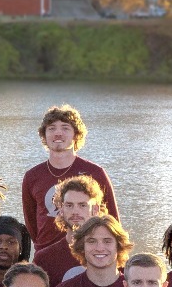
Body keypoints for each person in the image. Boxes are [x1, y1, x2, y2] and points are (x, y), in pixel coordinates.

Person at [20, 106, 117, 247]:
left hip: (88, 253)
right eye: (52, 128)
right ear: (44, 136)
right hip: (45, 256)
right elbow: (31, 224)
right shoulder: (32, 176)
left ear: (76, 135)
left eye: (65, 128)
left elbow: (113, 222)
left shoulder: (95, 173)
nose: (58, 133)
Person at [31, 176, 106, 286]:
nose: (75, 211)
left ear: (95, 209)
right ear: (61, 209)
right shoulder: (44, 259)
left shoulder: (110, 253)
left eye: (82, 205)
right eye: (69, 205)